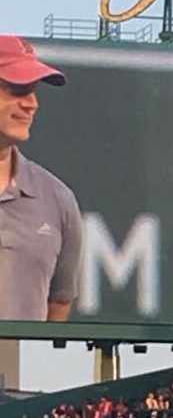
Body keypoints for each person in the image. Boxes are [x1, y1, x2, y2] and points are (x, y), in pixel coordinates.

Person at [0, 35, 83, 322]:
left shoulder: (58, 199)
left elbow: (59, 304)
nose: (31, 104)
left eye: (33, 90)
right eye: (17, 88)